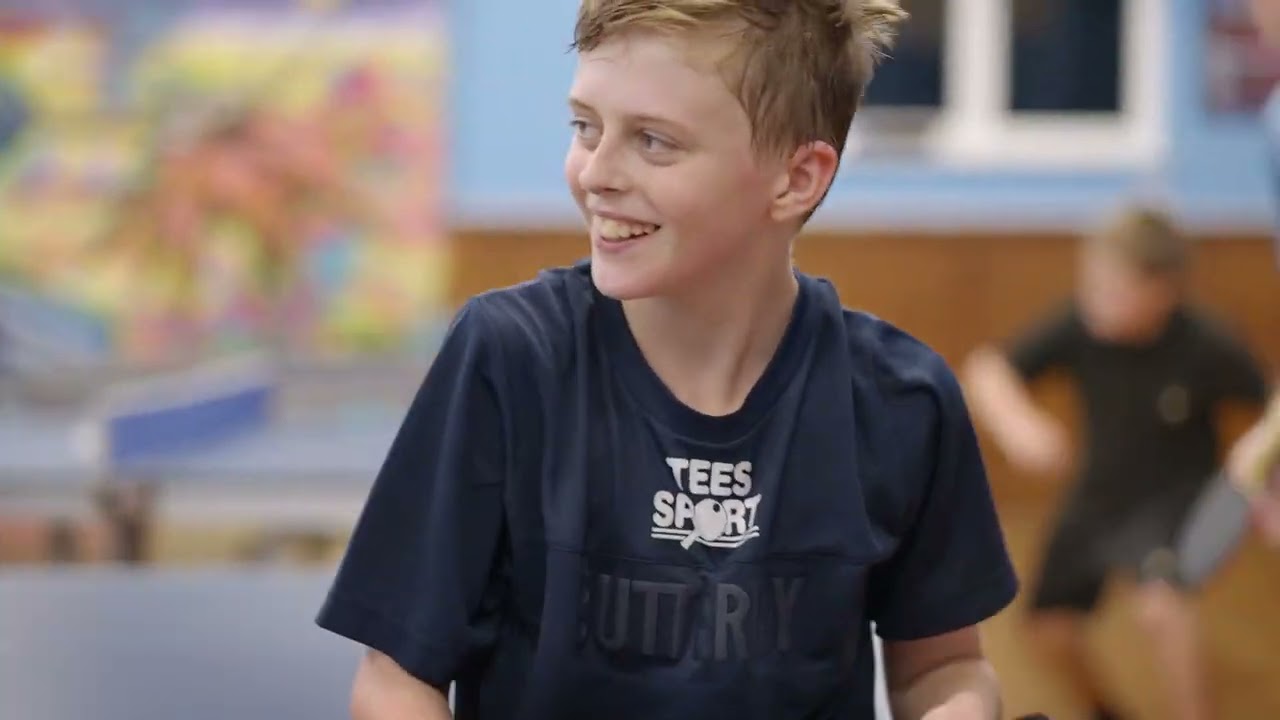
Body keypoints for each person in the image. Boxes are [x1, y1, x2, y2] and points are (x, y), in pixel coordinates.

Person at [316, 1, 1021, 719]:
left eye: (654, 142)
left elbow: (945, 667)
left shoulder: (901, 400)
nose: (597, 173)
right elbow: (395, 678)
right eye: (585, 127)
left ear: (796, 179)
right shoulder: (509, 356)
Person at [963, 206, 1272, 720]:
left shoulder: (1206, 344)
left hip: (1175, 501)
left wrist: (1260, 460)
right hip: (1098, 496)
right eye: (1093, 283)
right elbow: (987, 370)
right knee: (1047, 630)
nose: (1097, 300)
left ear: (1163, 291)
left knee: (1162, 605)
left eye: (1115, 290)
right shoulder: (1081, 325)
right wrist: (1020, 426)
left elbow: (1271, 401)